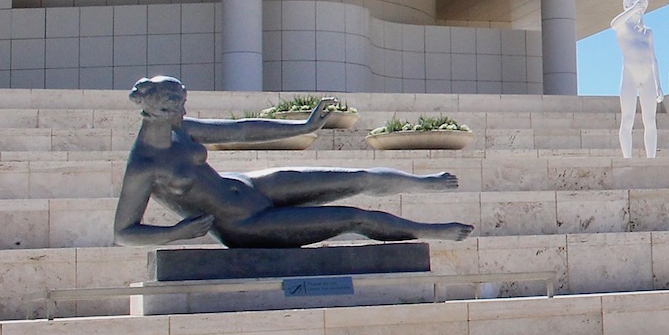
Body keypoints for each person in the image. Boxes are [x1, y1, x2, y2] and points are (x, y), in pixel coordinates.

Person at [112, 76, 474, 249]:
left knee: (357, 176)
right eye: (172, 105)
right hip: (245, 223)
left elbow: (241, 131)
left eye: (182, 102)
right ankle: (430, 231)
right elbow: (124, 231)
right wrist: (176, 233)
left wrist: (301, 126)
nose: (181, 110)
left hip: (252, 186)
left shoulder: (181, 129)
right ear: (149, 108)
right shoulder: (144, 164)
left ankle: (420, 183)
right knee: (355, 216)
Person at [612, 0, 661, 156]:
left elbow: (654, 58)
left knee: (650, 121)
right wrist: (632, 9)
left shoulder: (648, 32)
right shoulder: (623, 28)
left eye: (642, 2)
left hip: (647, 77)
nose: (640, 5)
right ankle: (627, 158)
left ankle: (651, 158)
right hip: (630, 76)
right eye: (635, 1)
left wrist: (658, 85)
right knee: (627, 119)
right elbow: (613, 24)